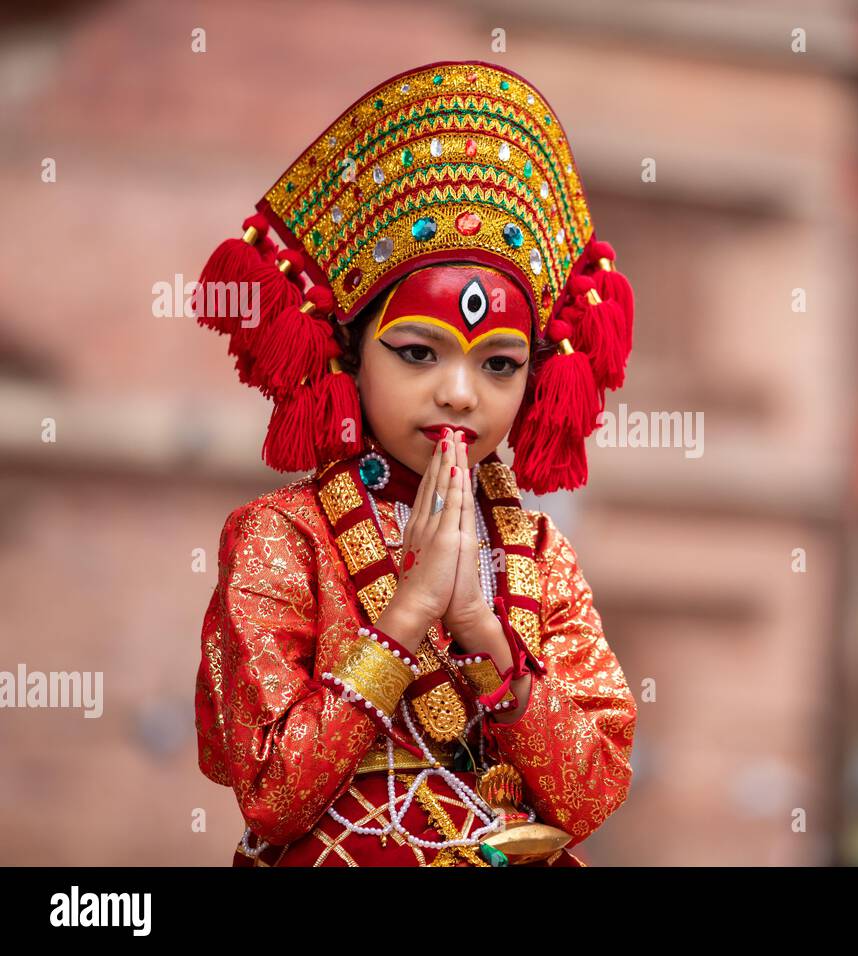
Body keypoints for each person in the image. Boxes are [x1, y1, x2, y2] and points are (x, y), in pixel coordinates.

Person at [191, 60, 637, 867]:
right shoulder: (280, 538)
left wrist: (480, 632)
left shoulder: (538, 555)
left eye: (499, 364)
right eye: (418, 353)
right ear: (354, 358)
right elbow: (273, 794)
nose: (461, 394)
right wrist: (405, 619)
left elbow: (593, 794)